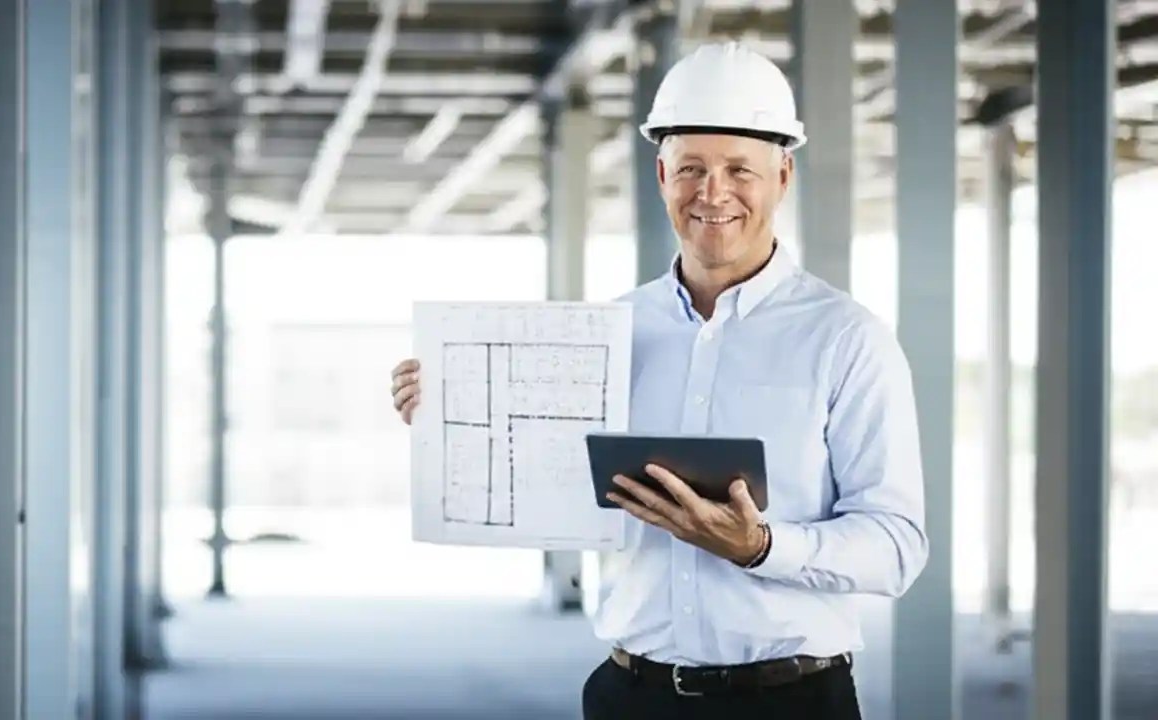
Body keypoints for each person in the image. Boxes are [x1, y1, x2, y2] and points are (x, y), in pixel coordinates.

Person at [388, 41, 927, 719]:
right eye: (692, 168)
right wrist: (450, 409)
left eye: (740, 169)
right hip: (631, 696)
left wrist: (761, 547)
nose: (713, 193)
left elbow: (896, 547)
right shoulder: (610, 332)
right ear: (661, 173)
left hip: (788, 702)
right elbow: (548, 482)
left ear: (783, 175)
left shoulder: (847, 338)